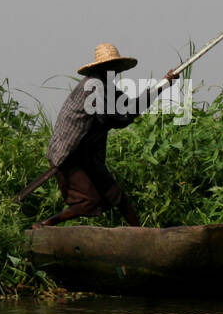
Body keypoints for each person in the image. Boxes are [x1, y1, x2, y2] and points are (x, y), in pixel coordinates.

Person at [33, 44, 175, 228]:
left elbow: (129, 106)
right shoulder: (93, 87)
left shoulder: (107, 87)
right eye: (110, 67)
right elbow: (111, 118)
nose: (113, 72)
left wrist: (162, 85)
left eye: (114, 68)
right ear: (99, 68)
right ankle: (46, 224)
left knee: (117, 196)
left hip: (86, 155)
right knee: (89, 201)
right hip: (68, 154)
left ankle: (141, 233)